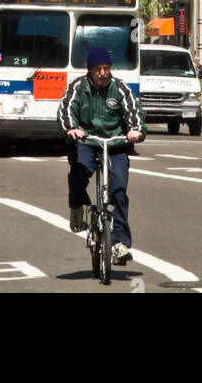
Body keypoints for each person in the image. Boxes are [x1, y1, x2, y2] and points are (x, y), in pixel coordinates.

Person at [58, 46, 146, 264]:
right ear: (89, 70)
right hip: (87, 141)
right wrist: (71, 129)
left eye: (106, 68)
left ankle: (119, 243)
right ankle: (77, 207)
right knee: (79, 173)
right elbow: (66, 109)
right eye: (98, 69)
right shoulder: (78, 87)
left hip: (114, 144)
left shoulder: (120, 88)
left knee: (118, 192)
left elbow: (134, 112)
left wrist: (135, 130)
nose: (102, 73)